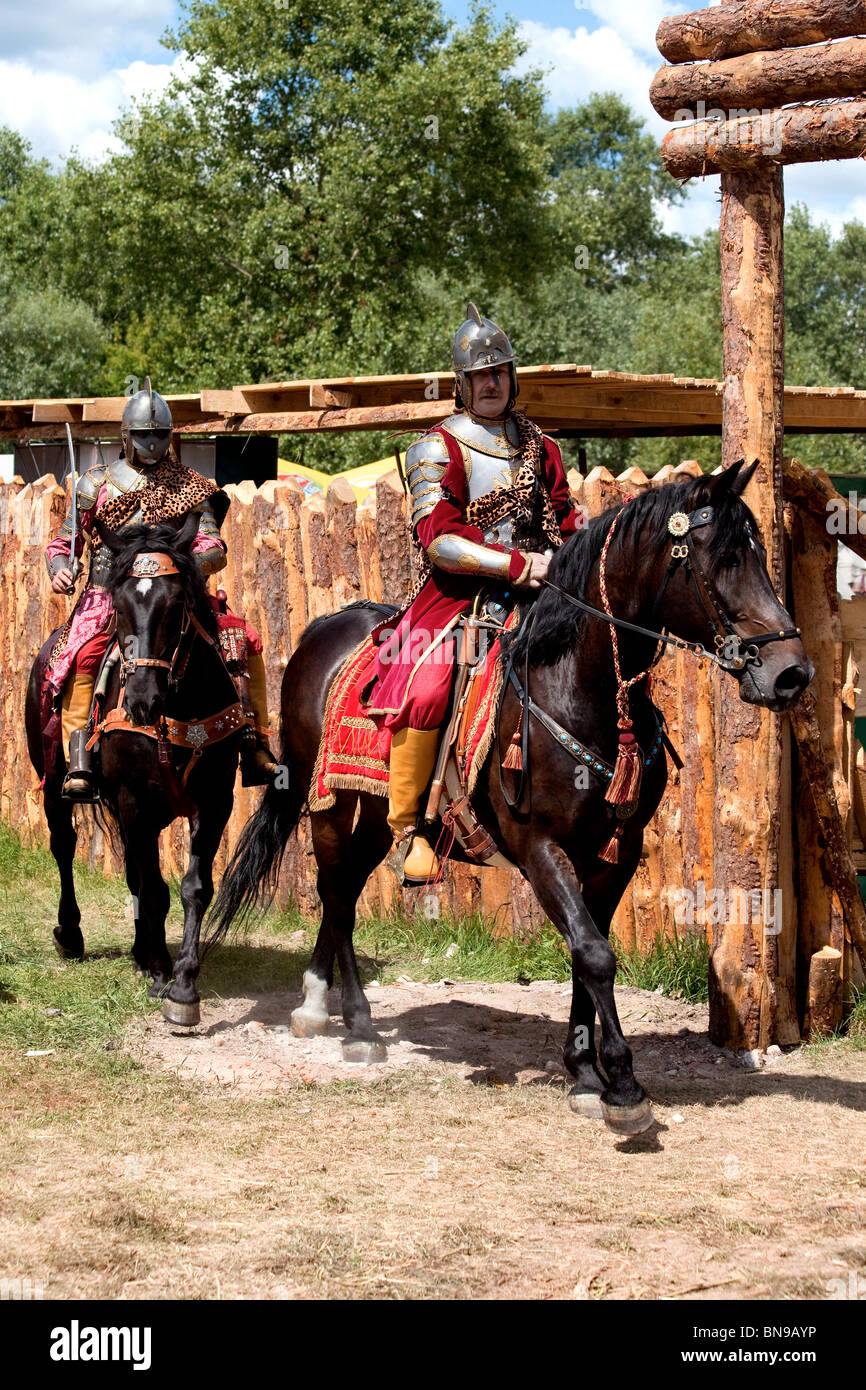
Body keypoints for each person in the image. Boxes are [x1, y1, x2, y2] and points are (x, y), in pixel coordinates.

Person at [364, 304, 582, 883]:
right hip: (459, 598)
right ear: (461, 385)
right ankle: (411, 828)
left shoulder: (542, 446)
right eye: (480, 375)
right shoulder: (438, 447)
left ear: (513, 378)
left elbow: (566, 514)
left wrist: (568, 559)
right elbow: (436, 538)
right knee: (428, 685)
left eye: (501, 372)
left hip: (545, 592)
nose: (492, 383)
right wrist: (515, 565)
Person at [44, 379, 277, 799]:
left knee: (243, 640)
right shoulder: (95, 485)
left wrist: (186, 563)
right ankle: (79, 760)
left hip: (175, 596)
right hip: (110, 597)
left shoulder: (191, 485)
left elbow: (211, 544)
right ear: (126, 436)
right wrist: (61, 568)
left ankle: (254, 742)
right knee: (81, 656)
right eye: (142, 434)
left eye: (158, 434)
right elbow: (65, 543)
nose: (151, 442)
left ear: (169, 436)